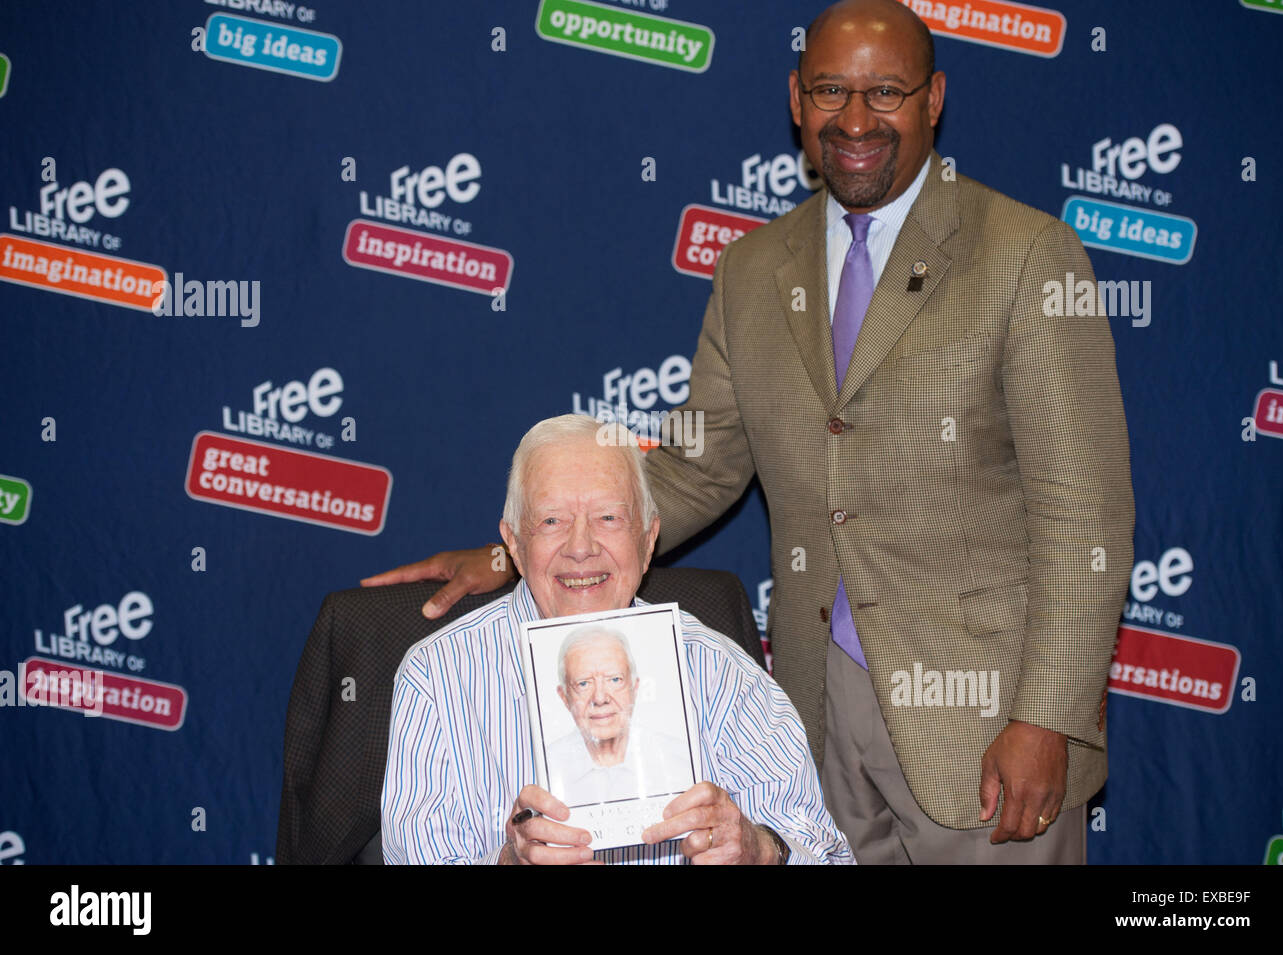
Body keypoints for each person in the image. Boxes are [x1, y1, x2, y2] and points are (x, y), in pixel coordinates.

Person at [369, 0, 1133, 864]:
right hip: (813, 716)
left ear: (934, 99)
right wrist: (518, 550)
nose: (855, 118)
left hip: (986, 724)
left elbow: (1086, 516)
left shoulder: (1028, 255)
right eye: (830, 90)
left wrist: (1046, 716)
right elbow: (696, 468)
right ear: (796, 102)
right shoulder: (752, 268)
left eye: (885, 92)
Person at [380, 415, 853, 865]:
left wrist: (762, 850)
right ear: (514, 545)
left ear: (648, 542)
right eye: (551, 521)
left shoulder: (723, 672)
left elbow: (829, 853)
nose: (581, 546)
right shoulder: (437, 676)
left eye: (608, 517)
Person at [548, 625, 695, 807]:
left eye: (615, 679)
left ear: (634, 688)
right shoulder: (545, 769)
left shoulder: (680, 761)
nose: (600, 698)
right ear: (564, 697)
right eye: (583, 683)